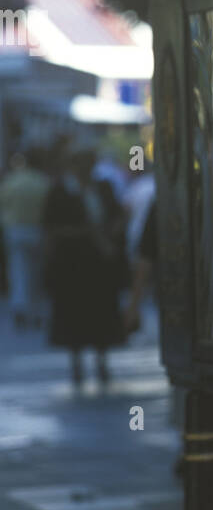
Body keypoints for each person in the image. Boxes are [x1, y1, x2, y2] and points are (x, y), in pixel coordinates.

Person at [42, 145, 129, 385]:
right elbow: (51, 227)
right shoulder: (60, 192)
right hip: (72, 265)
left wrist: (111, 235)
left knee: (100, 313)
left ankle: (102, 362)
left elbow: (117, 215)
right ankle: (77, 364)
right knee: (74, 315)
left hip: (99, 265)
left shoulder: (103, 188)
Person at [0, 148, 50, 328]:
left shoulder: (12, 182)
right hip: (37, 231)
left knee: (19, 272)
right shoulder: (42, 182)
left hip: (16, 231)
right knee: (36, 274)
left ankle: (21, 307)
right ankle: (35, 310)